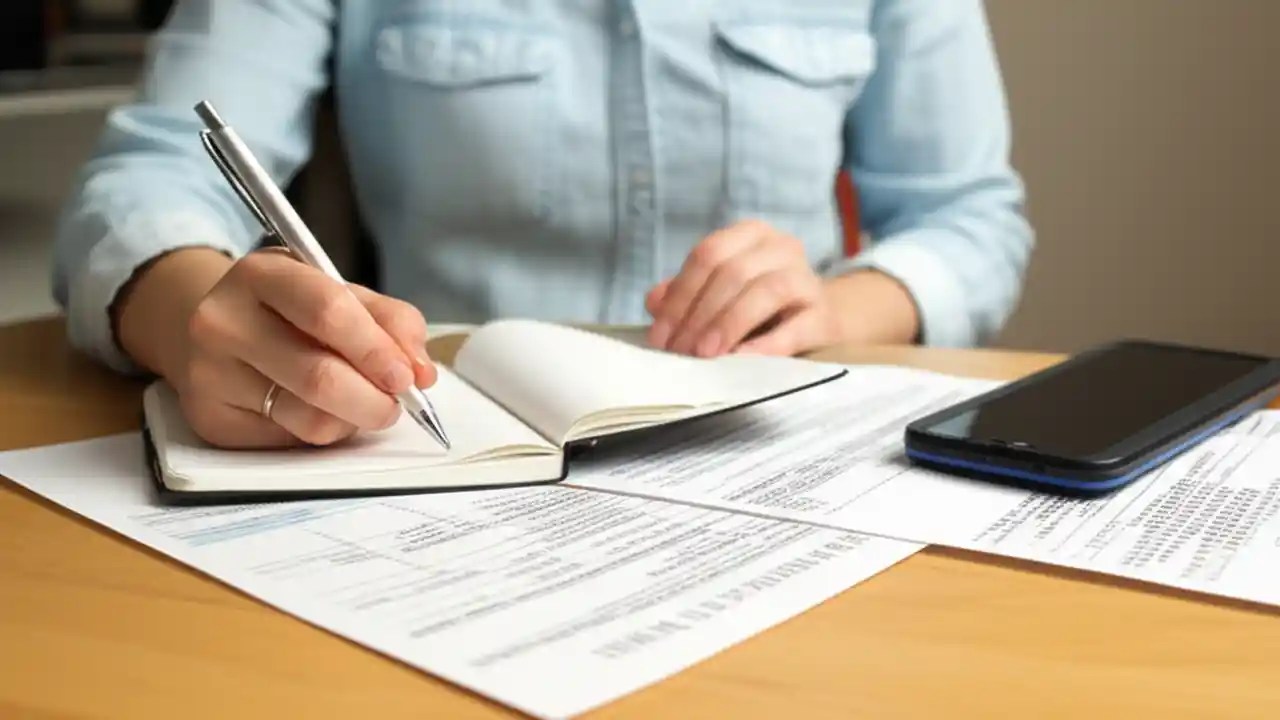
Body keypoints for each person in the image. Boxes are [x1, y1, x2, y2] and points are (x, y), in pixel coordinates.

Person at [53, 1, 1033, 449]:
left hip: (781, 450)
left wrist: (833, 304)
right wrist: (190, 319)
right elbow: (150, 175)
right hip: (427, 450)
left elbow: (969, 218)